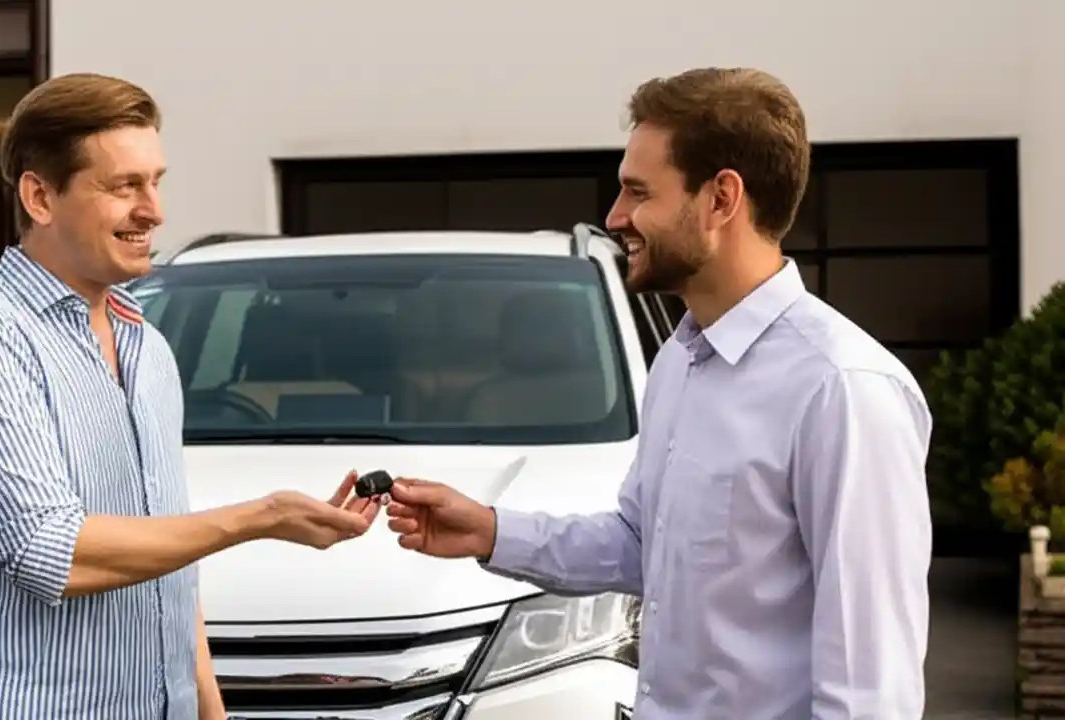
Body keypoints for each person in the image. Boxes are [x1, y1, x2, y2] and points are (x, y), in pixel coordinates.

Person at [386, 67, 932, 719]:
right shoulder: (679, 359)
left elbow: (871, 688)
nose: (616, 217)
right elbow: (645, 544)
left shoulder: (841, 388)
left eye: (637, 192)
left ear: (721, 199)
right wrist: (490, 531)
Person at [0, 73, 381, 720]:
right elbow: (52, 556)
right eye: (124, 186)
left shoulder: (147, 346)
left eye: (155, 182)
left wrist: (211, 712)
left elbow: (171, 573)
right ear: (40, 197)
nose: (154, 211)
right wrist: (262, 518)